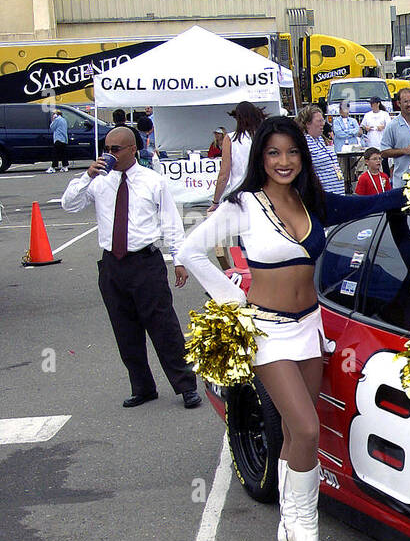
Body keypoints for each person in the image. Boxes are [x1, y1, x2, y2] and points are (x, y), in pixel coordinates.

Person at [174, 116, 408, 541]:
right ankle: (305, 528)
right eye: (274, 153)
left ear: (303, 156)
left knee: (294, 433)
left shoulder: (310, 200)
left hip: (309, 327)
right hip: (267, 331)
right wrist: (234, 302)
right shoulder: (242, 205)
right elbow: (188, 251)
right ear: (260, 157)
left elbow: (366, 207)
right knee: (304, 429)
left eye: (292, 153)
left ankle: (288, 526)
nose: (284, 161)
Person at [59, 127, 201, 410]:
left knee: (164, 327)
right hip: (112, 263)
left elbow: (170, 221)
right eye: (106, 149)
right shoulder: (99, 181)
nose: (109, 155)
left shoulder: (152, 181)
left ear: (132, 149)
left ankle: (186, 386)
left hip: (145, 261)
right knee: (125, 330)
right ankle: (143, 387)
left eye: (115, 150)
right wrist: (87, 175)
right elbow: (69, 205)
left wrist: (180, 259)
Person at [210, 102, 266, 212]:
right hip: (263, 192)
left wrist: (215, 202)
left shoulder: (231, 139)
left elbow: (224, 174)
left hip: (240, 192)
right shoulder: (263, 136)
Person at [298, 105, 345, 196]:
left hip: (337, 193)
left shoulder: (320, 139)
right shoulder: (304, 143)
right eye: (319, 121)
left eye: (323, 120)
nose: (323, 123)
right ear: (308, 123)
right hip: (324, 195)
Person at [48, 108, 69, 173]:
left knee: (55, 154)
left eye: (54, 114)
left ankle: (53, 167)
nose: (53, 115)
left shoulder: (57, 120)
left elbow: (52, 127)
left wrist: (53, 120)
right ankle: (65, 167)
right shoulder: (64, 120)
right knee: (63, 154)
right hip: (64, 139)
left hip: (58, 139)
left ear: (56, 114)